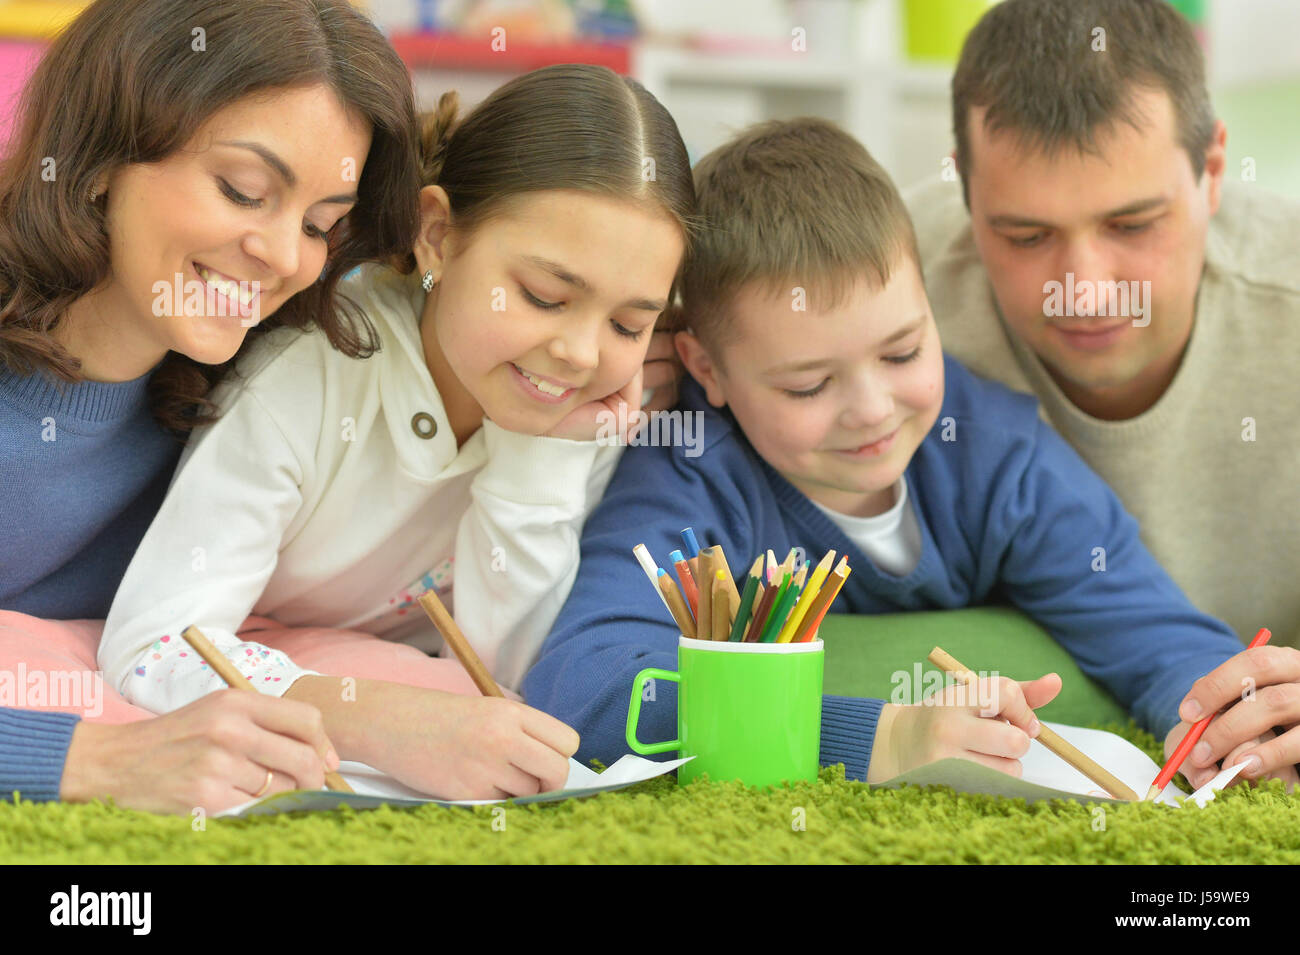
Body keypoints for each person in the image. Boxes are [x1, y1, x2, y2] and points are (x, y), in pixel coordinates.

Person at [522, 117, 1292, 790]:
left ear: (931, 306)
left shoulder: (997, 455)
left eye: (903, 352)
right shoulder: (690, 463)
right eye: (809, 383)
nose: (872, 410)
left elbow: (1150, 630)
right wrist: (879, 736)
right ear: (707, 369)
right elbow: (582, 683)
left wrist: (1232, 710)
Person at [98, 64, 698, 802]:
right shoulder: (310, 379)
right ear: (438, 234)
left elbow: (504, 676)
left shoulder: (587, 409)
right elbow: (156, 642)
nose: (579, 351)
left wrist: (537, 456)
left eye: (628, 323)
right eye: (545, 295)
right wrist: (375, 719)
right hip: (290, 665)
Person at [0, 0, 424, 812]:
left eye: (320, 225)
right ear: (96, 160)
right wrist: (90, 760)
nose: (283, 256)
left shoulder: (243, 405)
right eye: (243, 189)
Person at [903, 0, 1300, 788]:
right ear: (965, 189)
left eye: (1132, 224)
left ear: (1213, 171)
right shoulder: (877, 300)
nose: (1083, 292)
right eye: (1025, 237)